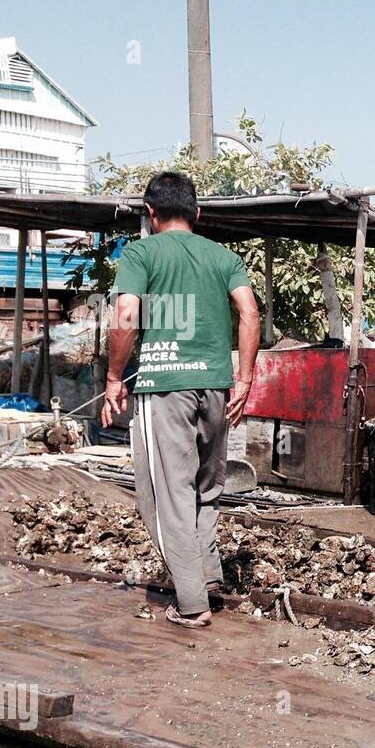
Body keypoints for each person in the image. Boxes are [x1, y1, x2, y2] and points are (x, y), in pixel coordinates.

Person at [101, 171, 261, 627]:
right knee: (205, 490)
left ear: (150, 214)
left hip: (163, 388)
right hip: (216, 387)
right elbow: (249, 311)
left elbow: (126, 315)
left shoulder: (141, 252)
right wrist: (245, 378)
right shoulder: (223, 255)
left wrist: (115, 376)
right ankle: (209, 575)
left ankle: (191, 604)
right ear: (197, 212)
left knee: (165, 496)